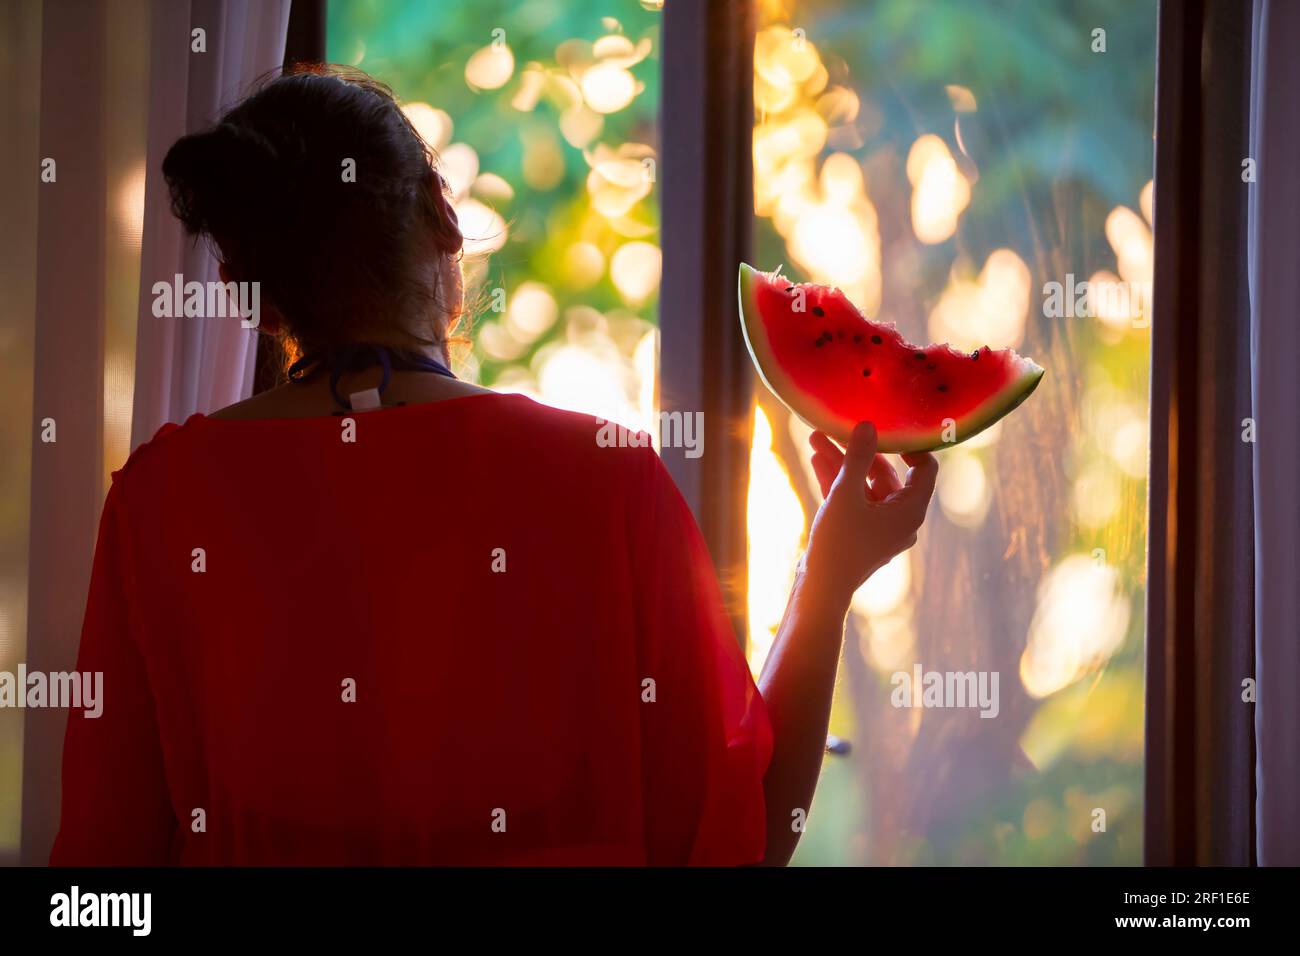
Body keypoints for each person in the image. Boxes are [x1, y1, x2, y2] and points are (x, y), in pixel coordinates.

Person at [50, 65, 937, 866]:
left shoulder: (160, 504)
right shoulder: (604, 479)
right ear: (443, 219)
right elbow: (743, 836)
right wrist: (827, 577)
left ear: (257, 294)